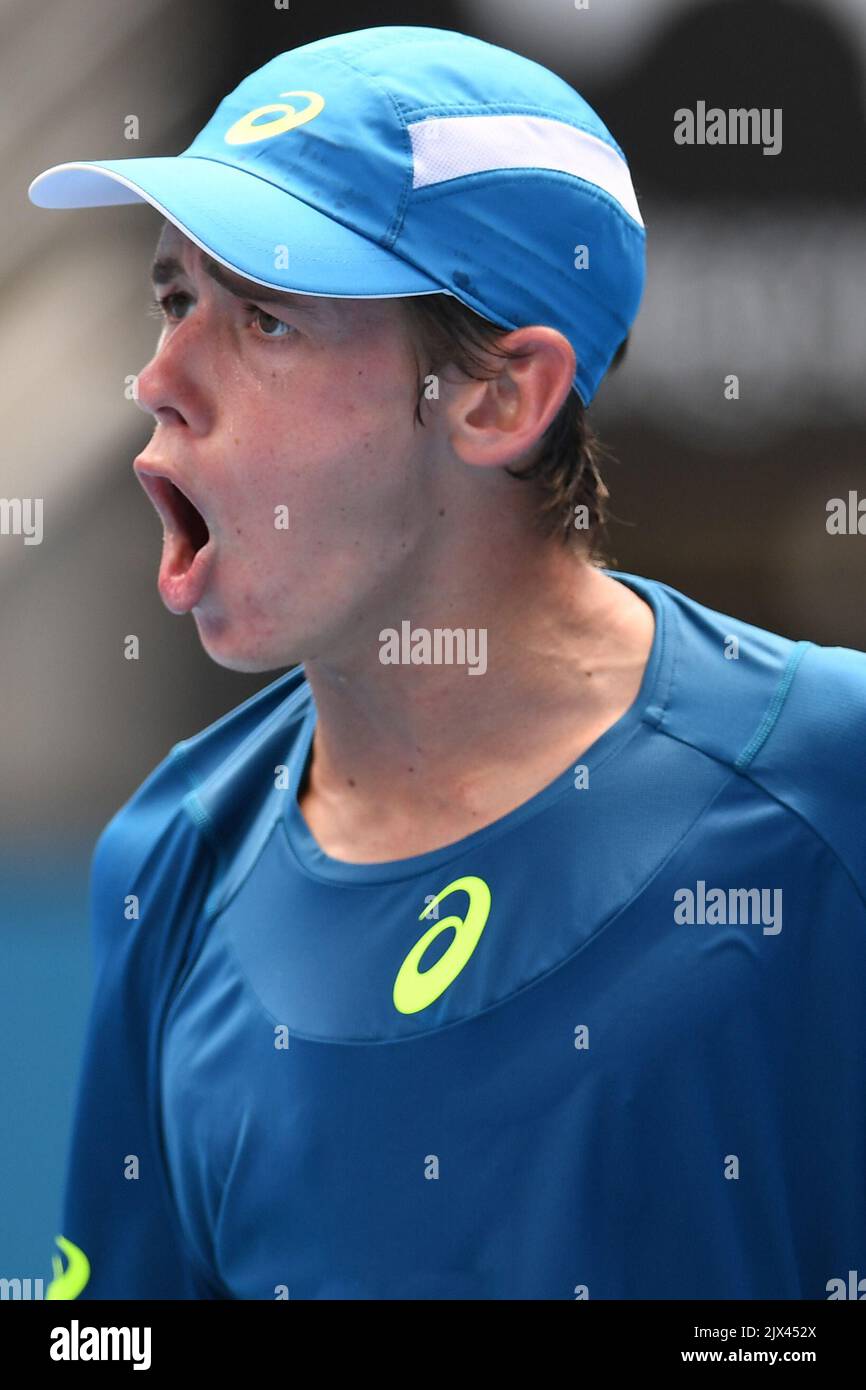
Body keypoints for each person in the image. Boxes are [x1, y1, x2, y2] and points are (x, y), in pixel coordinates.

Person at [30, 25, 866, 1301]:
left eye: (262, 315)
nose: (159, 378)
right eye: (173, 299)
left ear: (497, 399)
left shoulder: (830, 778)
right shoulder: (170, 860)